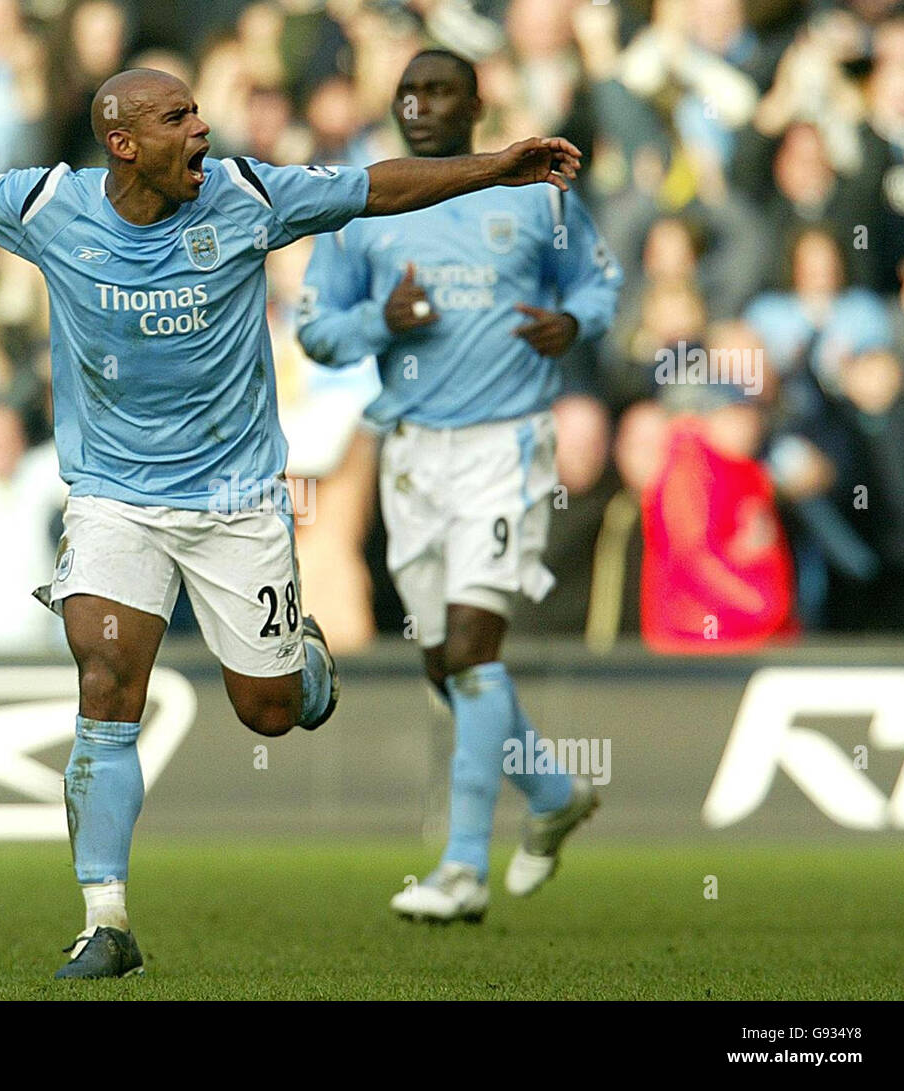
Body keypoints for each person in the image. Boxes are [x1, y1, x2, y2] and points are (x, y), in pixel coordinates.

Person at [0, 67, 582, 977]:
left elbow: (376, 188)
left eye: (197, 111)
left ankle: (304, 669)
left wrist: (497, 166)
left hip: (236, 501)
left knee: (269, 712)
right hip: (114, 496)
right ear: (124, 143)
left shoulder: (246, 195)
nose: (202, 129)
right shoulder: (49, 208)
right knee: (105, 673)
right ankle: (106, 920)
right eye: (177, 117)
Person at [298, 50, 620, 924]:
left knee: (475, 650)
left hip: (506, 448)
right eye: (408, 92)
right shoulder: (364, 202)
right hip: (408, 454)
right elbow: (316, 332)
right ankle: (552, 793)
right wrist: (381, 321)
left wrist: (573, 322)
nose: (420, 105)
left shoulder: (537, 198)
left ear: (477, 104)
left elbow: (600, 285)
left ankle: (463, 867)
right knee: (444, 663)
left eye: (439, 91)